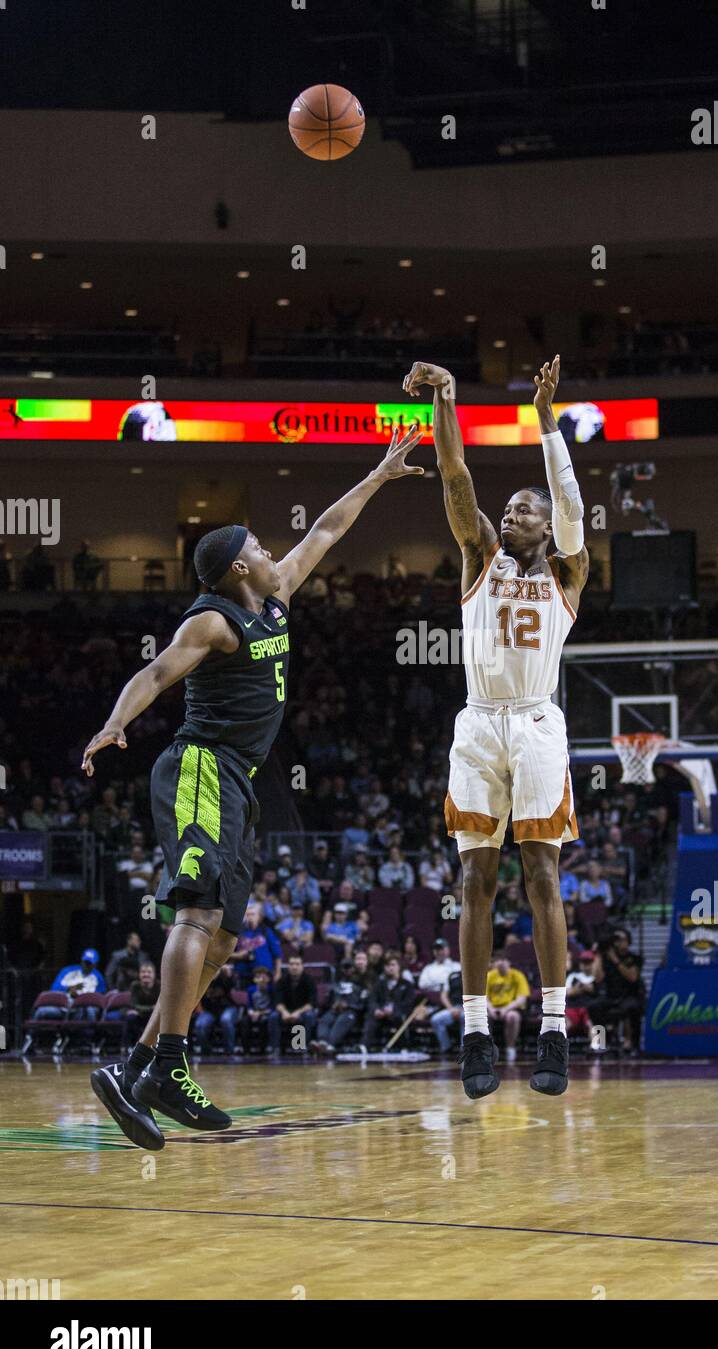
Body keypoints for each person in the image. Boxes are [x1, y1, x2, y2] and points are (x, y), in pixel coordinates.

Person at [83, 425, 424, 1149]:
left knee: (226, 939)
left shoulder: (275, 598)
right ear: (241, 566)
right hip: (200, 767)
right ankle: (168, 1063)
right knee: (196, 918)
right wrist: (115, 724)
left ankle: (141, 1069)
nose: (276, 554)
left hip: (236, 782)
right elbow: (153, 673)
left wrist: (380, 473)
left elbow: (328, 529)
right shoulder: (214, 618)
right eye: (264, 549)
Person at [404, 354, 588, 1099]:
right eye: (508, 508)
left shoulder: (568, 574)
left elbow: (571, 504)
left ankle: (552, 1031)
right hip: (479, 724)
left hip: (539, 723)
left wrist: (546, 419)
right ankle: (476, 1033)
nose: (512, 515)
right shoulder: (479, 554)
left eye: (525, 509)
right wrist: (445, 398)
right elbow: (455, 479)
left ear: (547, 527)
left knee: (541, 873)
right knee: (475, 877)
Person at [362, 953, 418, 1051]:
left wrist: (394, 1009)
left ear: (399, 967)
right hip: (381, 1013)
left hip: (398, 1012)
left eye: (393, 965)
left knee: (400, 1017)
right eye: (387, 965)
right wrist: (376, 1009)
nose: (390, 968)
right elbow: (373, 999)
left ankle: (404, 1046)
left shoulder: (407, 985)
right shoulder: (379, 984)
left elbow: (408, 1003)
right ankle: (364, 1046)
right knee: (370, 1017)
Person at [485, 952, 531, 1062]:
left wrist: (505, 1009)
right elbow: (483, 997)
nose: (500, 963)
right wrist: (491, 1010)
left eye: (503, 960)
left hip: (512, 1008)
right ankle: (487, 1048)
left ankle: (510, 1048)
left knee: (512, 1017)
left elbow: (521, 999)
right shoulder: (490, 975)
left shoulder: (518, 975)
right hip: (493, 1007)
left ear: (509, 962)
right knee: (482, 1016)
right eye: (498, 960)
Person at [275, 954, 318, 1052]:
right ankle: (275, 1047)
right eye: (291, 964)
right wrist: (284, 1012)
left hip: (303, 1010)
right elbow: (278, 1001)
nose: (294, 967)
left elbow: (311, 1003)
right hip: (286, 1011)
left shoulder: (309, 980)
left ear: (302, 966)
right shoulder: (282, 981)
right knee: (273, 1017)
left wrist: (298, 1012)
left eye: (297, 964)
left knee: (308, 1016)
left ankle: (302, 1046)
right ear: (288, 966)